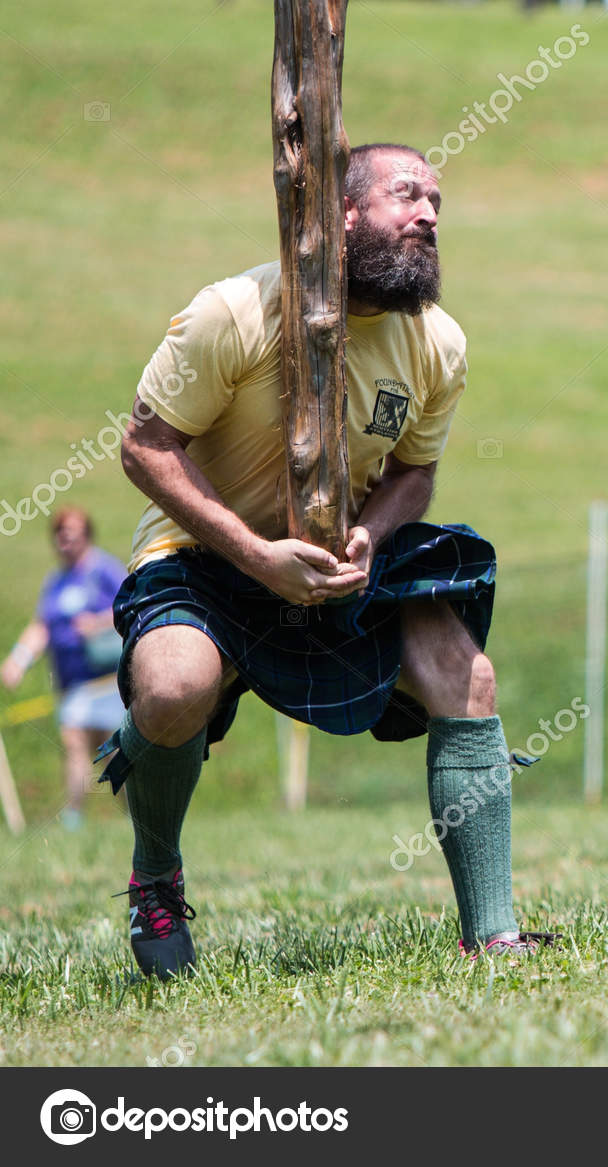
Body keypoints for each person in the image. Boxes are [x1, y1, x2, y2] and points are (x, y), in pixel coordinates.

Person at [101, 143, 561, 979]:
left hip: (342, 561)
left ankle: (492, 933)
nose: (428, 214)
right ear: (342, 215)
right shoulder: (235, 311)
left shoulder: (438, 343)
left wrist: (371, 532)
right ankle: (156, 874)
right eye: (406, 195)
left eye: (437, 204)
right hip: (206, 553)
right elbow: (144, 447)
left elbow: (416, 472)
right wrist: (253, 554)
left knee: (470, 678)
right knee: (174, 691)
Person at [2, 507, 128, 829]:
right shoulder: (56, 581)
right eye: (60, 534)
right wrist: (18, 660)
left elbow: (132, 606)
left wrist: (98, 624)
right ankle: (74, 818)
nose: (65, 539)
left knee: (114, 753)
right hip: (73, 685)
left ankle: (139, 815)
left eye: (72, 532)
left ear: (86, 534)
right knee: (73, 744)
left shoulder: (104, 570)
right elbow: (43, 626)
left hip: (108, 681)